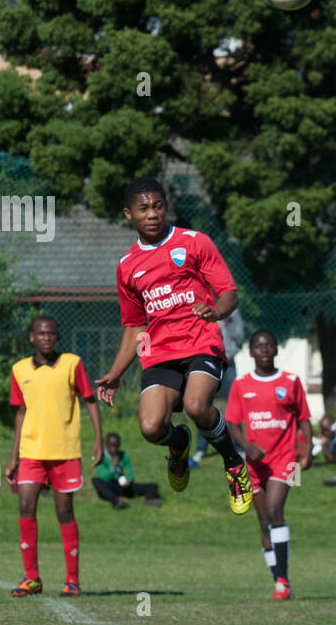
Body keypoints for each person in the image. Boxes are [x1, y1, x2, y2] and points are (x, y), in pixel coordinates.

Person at [94, 177, 252, 515]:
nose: (152, 213)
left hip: (201, 342)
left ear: (165, 206)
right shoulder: (127, 267)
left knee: (196, 405)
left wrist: (216, 311)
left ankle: (233, 464)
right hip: (160, 354)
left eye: (158, 206)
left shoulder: (195, 242)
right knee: (151, 427)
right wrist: (115, 372)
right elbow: (135, 327)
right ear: (128, 214)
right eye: (143, 208)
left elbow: (229, 294)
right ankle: (178, 443)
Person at [7, 316, 103, 598]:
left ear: (57, 337)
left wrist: (98, 438)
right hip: (31, 452)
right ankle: (31, 578)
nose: (46, 338)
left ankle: (72, 579)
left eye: (51, 333)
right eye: (41, 333)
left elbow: (89, 400)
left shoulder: (72, 363)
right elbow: (21, 412)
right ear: (31, 338)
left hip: (65, 451)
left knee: (64, 512)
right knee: (26, 506)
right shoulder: (19, 369)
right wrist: (13, 457)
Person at [225, 329, 313, 600]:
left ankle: (283, 580)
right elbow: (231, 423)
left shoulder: (291, 381)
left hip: (286, 459)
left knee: (275, 510)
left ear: (276, 350)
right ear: (250, 352)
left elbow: (305, 418)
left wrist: (306, 449)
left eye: (269, 345)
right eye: (258, 346)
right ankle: (278, 581)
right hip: (254, 463)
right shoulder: (241, 385)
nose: (264, 350)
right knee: (264, 522)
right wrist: (246, 446)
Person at [191, 308, 246, 468]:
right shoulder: (199, 307)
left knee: (235, 407)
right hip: (207, 362)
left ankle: (239, 446)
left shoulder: (231, 311)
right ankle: (202, 449)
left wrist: (228, 324)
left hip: (228, 363)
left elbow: (240, 338)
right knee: (202, 406)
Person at [92, 432, 162, 509]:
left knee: (153, 486)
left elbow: (130, 475)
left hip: (122, 486)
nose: (114, 449)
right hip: (109, 486)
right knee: (95, 481)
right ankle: (116, 501)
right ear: (107, 445)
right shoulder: (102, 457)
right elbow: (103, 477)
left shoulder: (124, 456)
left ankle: (150, 500)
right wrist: (113, 466)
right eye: (112, 446)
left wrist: (129, 481)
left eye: (117, 446)